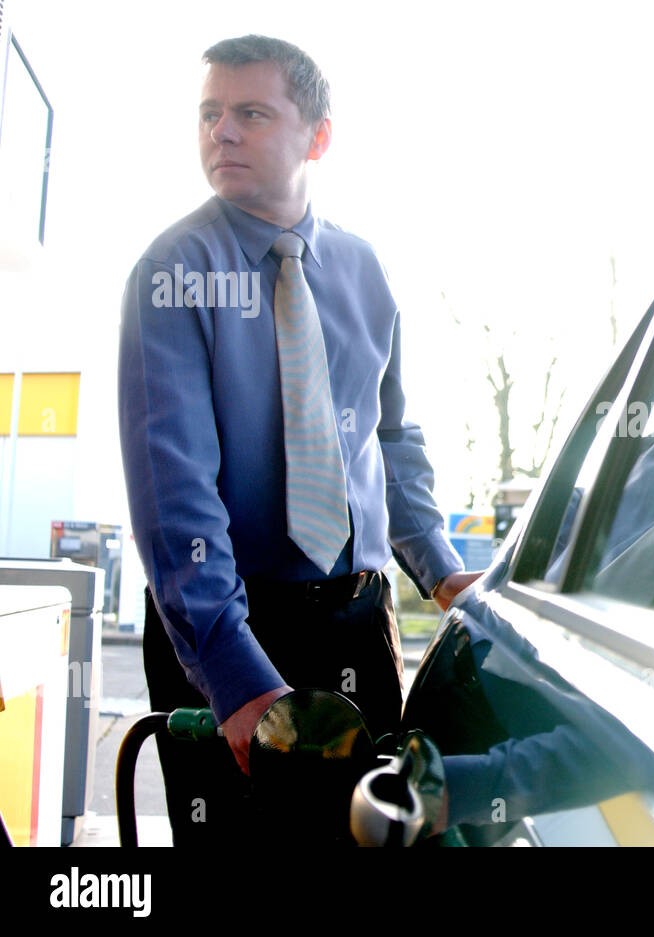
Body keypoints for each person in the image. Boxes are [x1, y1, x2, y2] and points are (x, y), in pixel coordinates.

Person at [118, 34, 478, 844]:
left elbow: (390, 440)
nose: (223, 132)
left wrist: (444, 573)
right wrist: (236, 678)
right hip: (233, 622)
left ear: (318, 136)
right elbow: (174, 496)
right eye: (211, 113)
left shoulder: (364, 269)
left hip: (356, 617)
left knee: (369, 838)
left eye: (251, 112)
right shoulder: (171, 272)